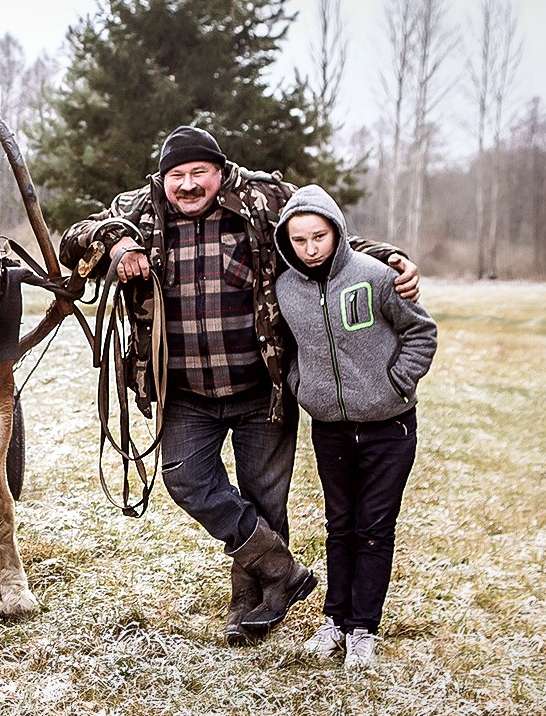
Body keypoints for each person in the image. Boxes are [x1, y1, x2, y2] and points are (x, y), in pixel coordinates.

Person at [59, 126, 421, 646]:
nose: (186, 185)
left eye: (197, 174)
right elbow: (76, 237)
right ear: (161, 179)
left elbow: (323, 237)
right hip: (184, 391)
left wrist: (388, 258)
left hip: (260, 386)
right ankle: (281, 569)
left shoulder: (262, 198)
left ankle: (253, 606)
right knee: (185, 480)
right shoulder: (139, 210)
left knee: (264, 497)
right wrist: (115, 245)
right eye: (175, 176)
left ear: (219, 170)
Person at [273, 185, 437, 669]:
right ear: (287, 242)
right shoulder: (286, 289)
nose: (310, 249)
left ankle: (364, 628)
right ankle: (333, 622)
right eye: (299, 240)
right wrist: (305, 387)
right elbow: (291, 349)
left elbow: (420, 332)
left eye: (319, 236)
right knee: (339, 526)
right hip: (330, 429)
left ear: (337, 231)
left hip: (389, 427)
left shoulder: (376, 277)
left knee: (374, 527)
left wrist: (395, 382)